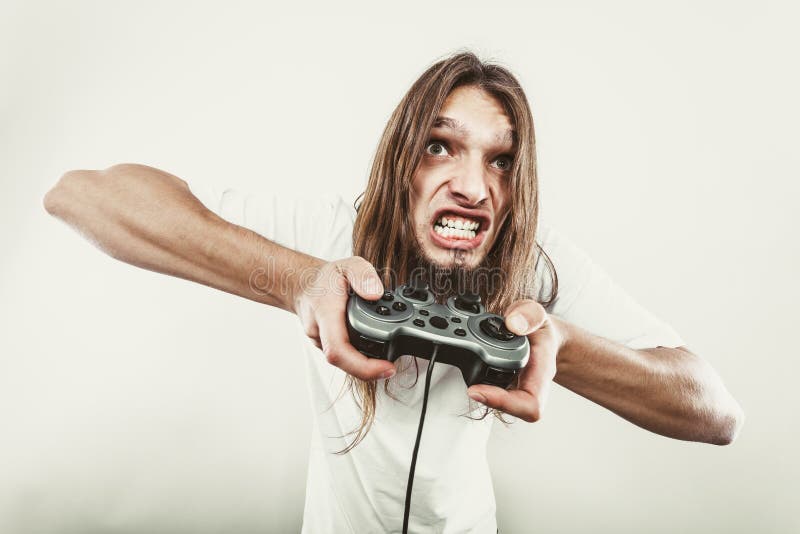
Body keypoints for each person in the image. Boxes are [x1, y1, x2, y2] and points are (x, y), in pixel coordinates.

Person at [43, 51, 744, 533]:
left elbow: (716, 412)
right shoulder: (329, 231)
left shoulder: (538, 266)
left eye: (500, 161)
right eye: (441, 145)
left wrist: (557, 346)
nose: (473, 186)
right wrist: (302, 281)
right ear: (400, 158)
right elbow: (84, 197)